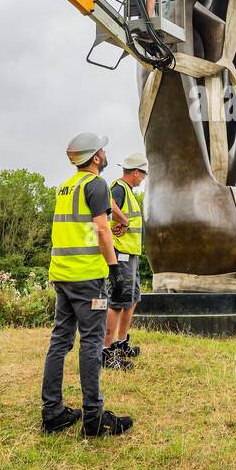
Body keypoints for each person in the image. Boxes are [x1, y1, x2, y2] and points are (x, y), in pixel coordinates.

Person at [41, 132, 135, 437]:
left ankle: (52, 412)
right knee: (92, 343)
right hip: (87, 278)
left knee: (60, 341)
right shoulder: (96, 184)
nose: (106, 155)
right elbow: (101, 231)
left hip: (62, 274)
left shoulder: (65, 187)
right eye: (103, 151)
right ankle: (94, 419)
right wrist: (114, 269)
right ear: (96, 157)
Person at [103, 153, 149, 370]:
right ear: (136, 172)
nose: (143, 179)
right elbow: (109, 204)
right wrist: (123, 220)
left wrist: (125, 222)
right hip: (121, 253)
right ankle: (107, 351)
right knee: (118, 301)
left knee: (132, 298)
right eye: (143, 175)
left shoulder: (127, 191)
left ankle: (121, 344)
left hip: (131, 253)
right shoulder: (119, 188)